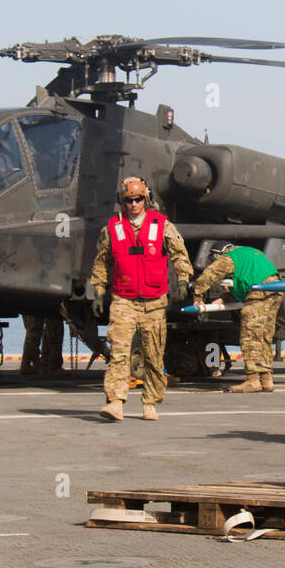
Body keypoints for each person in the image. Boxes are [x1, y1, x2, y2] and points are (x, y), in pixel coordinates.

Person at [89, 177, 192, 421]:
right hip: (124, 299)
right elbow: (102, 262)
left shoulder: (162, 225)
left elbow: (179, 253)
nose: (133, 204)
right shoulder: (112, 229)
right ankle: (115, 401)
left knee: (153, 354)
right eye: (128, 200)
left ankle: (151, 402)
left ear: (145, 199)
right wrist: (98, 290)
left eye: (137, 199)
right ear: (121, 201)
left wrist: (184, 279)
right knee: (119, 352)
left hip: (154, 301)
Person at [192, 242, 282, 393]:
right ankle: (266, 379)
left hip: (258, 291)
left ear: (218, 253)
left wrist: (197, 297)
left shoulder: (228, 258)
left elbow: (208, 276)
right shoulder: (249, 251)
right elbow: (246, 279)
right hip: (275, 289)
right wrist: (224, 298)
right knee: (264, 335)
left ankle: (252, 380)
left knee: (250, 336)